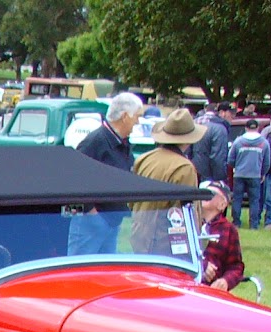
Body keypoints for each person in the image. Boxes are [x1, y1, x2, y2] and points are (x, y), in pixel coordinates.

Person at [69, 92, 143, 254]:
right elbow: (71, 181)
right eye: (136, 117)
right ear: (124, 116)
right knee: (80, 271)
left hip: (112, 220)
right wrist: (91, 214)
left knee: (105, 274)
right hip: (91, 221)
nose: (137, 122)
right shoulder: (93, 143)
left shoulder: (122, 144)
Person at [131, 108, 203, 258]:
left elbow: (132, 201)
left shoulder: (144, 159)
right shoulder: (184, 167)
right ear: (189, 139)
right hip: (164, 245)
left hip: (139, 236)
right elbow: (183, 214)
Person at [198, 180, 244, 292]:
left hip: (212, 290)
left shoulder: (228, 230)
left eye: (211, 194)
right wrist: (202, 265)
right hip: (186, 284)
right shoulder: (188, 222)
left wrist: (225, 281)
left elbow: (236, 267)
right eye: (204, 192)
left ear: (222, 204)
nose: (206, 195)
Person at [229, 118, 271, 228]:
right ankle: (254, 224)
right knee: (254, 201)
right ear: (257, 128)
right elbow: (267, 162)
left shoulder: (238, 141)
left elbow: (230, 159)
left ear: (246, 128)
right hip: (255, 175)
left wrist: (237, 167)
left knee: (237, 199)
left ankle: (236, 223)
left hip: (239, 174)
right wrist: (263, 173)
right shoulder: (264, 143)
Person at [190, 101, 232, 183]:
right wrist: (220, 179)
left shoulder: (194, 123)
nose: (232, 117)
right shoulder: (219, 129)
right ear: (222, 113)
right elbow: (218, 157)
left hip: (195, 172)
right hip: (209, 176)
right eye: (230, 114)